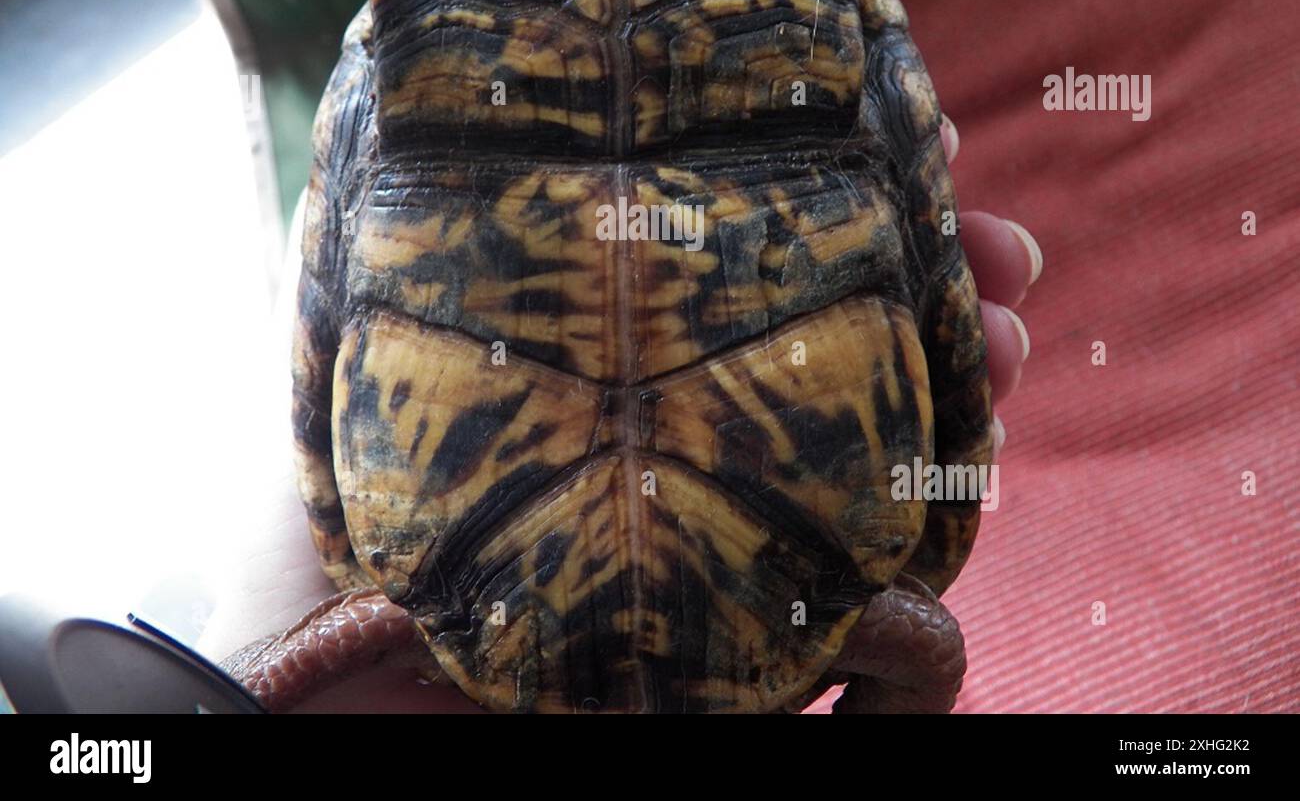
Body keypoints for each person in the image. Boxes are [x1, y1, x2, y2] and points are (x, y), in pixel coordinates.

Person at [198, 117, 1042, 713]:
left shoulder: (439, 618)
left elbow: (915, 640)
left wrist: (244, 662)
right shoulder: (439, 616)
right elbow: (921, 638)